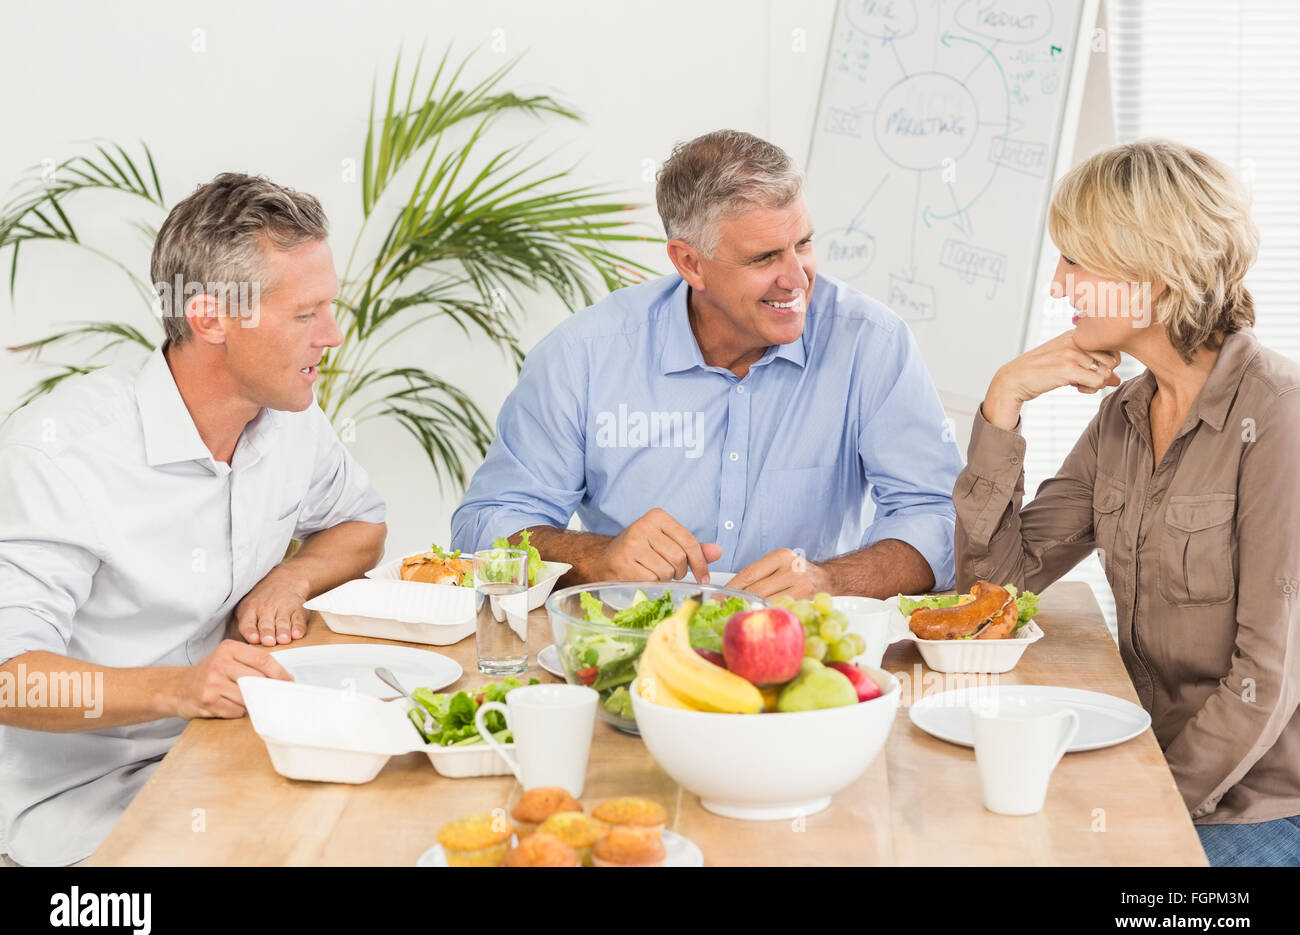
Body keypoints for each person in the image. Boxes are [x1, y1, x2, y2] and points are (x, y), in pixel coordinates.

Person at [0, 173, 387, 866]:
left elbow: (361, 526)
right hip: (82, 807)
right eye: (305, 315)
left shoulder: (290, 417)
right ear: (209, 318)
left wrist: (293, 577)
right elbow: (11, 678)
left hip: (230, 750)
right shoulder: (62, 454)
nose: (332, 336)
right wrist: (175, 687)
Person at [954, 139, 1300, 866]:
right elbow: (995, 592)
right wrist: (1003, 403)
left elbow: (1263, 682)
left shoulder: (1278, 417)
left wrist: (1146, 808)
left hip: (1253, 807)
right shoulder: (1126, 414)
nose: (1057, 286)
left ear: (1153, 275)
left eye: (1075, 262)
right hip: (1145, 767)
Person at [451, 130, 962, 600]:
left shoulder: (871, 343)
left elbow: (937, 517)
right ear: (689, 262)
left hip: (804, 652)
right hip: (625, 650)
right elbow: (485, 526)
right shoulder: (581, 355)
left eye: (803, 244)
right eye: (764, 258)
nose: (797, 278)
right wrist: (595, 557)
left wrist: (832, 580)